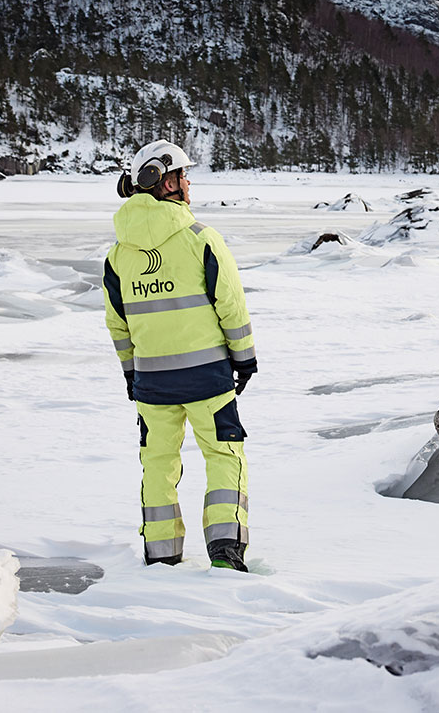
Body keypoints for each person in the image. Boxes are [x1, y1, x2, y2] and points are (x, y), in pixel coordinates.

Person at [103, 139, 257, 572]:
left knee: (157, 465)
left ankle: (162, 554)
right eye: (184, 175)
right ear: (163, 180)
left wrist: (132, 373)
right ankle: (226, 550)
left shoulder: (117, 256)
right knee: (225, 457)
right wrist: (244, 359)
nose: (189, 183)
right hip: (208, 377)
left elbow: (118, 326)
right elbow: (231, 304)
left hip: (152, 383)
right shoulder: (200, 238)